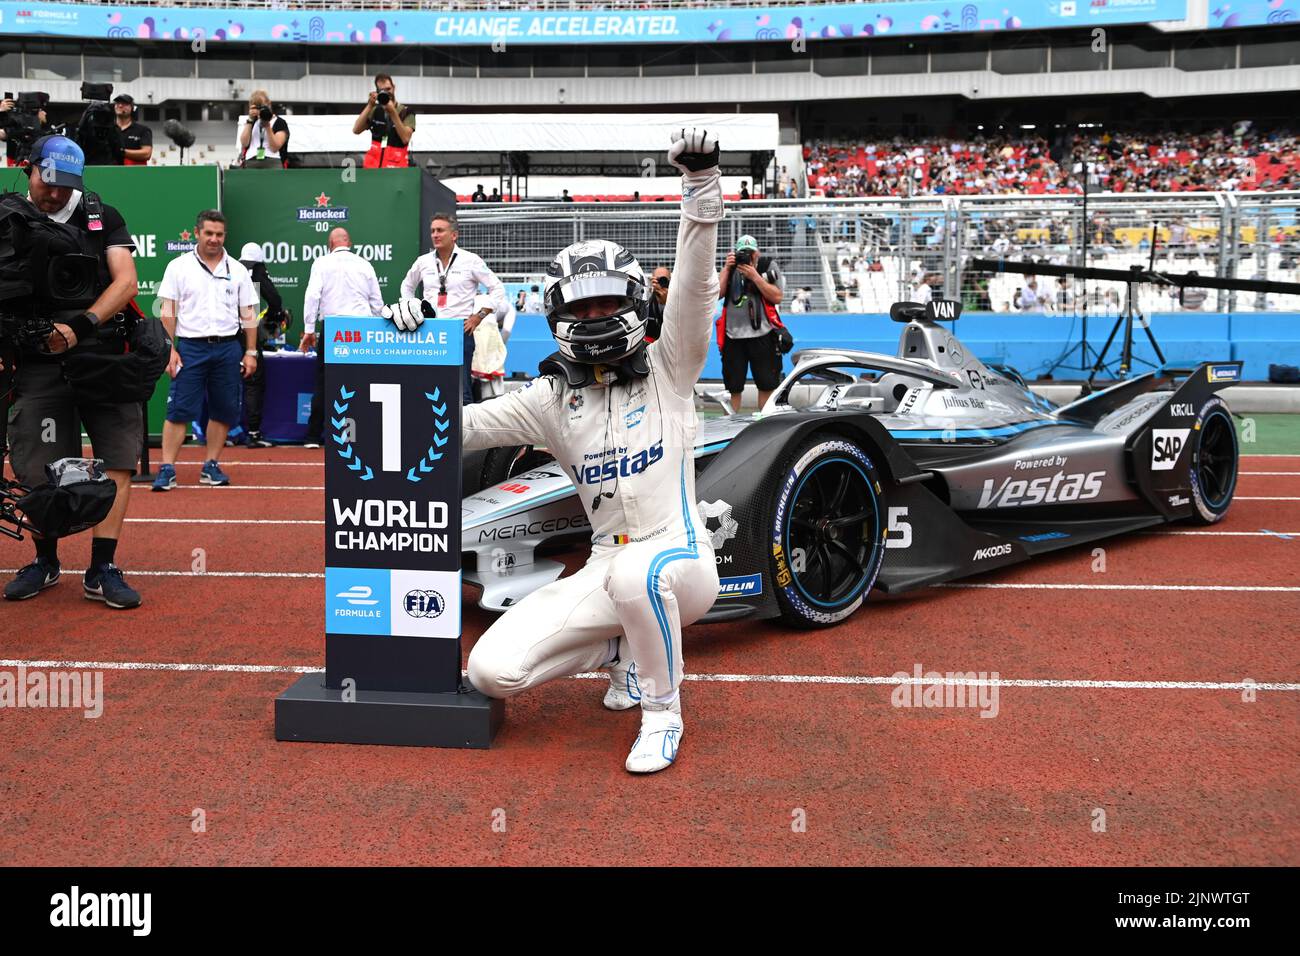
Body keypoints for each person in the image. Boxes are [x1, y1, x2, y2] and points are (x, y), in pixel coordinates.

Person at [383, 128, 724, 773]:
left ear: (636, 305)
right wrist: (410, 352)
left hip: (681, 557)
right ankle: (625, 654)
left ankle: (663, 712)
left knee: (637, 575)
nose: (596, 315)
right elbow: (453, 425)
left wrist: (701, 186)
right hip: (605, 564)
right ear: (557, 314)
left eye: (609, 301)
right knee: (491, 670)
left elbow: (696, 286)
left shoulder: (669, 365)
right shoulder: (548, 398)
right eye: (582, 304)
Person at [2, 136, 144, 608]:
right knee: (39, 464)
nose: (57, 194)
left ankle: (103, 567)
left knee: (119, 459)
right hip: (38, 360)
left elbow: (126, 280)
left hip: (101, 353)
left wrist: (80, 325)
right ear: (29, 169)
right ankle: (45, 560)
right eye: (49, 182)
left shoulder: (103, 214)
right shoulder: (8, 217)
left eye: (67, 186)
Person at [152, 210, 259, 491]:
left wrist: (250, 351)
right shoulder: (178, 267)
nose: (214, 239)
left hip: (227, 349)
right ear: (197, 233)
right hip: (190, 348)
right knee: (179, 410)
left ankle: (210, 465)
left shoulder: (237, 270)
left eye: (219, 234)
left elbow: (248, 312)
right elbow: (168, 310)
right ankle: (167, 468)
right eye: (209, 233)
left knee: (223, 410)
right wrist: (169, 349)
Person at [398, 212, 508, 405]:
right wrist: (412, 308)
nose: (435, 235)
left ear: (454, 235)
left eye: (440, 230)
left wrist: (479, 316)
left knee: (461, 389)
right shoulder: (423, 261)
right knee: (429, 386)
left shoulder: (470, 260)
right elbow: (407, 286)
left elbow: (497, 288)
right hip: (429, 331)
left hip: (459, 331)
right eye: (432, 231)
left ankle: (465, 433)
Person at [302, 227, 384, 446]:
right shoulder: (364, 264)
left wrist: (309, 329)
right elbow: (377, 302)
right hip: (361, 328)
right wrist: (378, 331)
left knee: (324, 382)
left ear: (330, 245)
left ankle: (313, 436)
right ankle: (352, 436)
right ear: (350, 243)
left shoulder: (321, 263)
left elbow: (312, 296)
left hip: (334, 327)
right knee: (358, 383)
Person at [717, 234, 785, 413]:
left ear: (757, 252)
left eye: (751, 252)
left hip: (763, 335)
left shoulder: (767, 266)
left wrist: (755, 276)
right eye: (743, 253)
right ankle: (728, 428)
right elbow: (717, 293)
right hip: (733, 336)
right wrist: (726, 268)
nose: (747, 256)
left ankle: (764, 426)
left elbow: (777, 296)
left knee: (766, 384)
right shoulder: (731, 269)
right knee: (733, 387)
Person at [237, 242, 285, 448]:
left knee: (223, 382)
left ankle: (225, 431)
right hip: (246, 331)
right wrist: (272, 317)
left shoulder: (230, 267)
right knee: (253, 382)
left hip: (222, 332)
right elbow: (274, 299)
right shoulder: (256, 270)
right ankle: (253, 433)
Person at [353, 73, 415, 169]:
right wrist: (369, 105)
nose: (387, 93)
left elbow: (406, 138)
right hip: (373, 169)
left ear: (394, 87)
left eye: (388, 89)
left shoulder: (406, 111)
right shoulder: (375, 110)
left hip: (396, 169)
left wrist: (393, 113)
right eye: (382, 91)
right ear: (377, 92)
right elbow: (356, 130)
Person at [469, 290, 517, 401]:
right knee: (493, 371)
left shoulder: (478, 298)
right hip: (487, 329)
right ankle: (494, 401)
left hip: (470, 323)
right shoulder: (509, 307)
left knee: (472, 369)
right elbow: (506, 331)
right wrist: (499, 350)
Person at [236, 91, 289, 169]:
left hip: (272, 160)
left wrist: (267, 126)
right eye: (257, 107)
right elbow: (244, 143)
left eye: (262, 106)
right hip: (251, 160)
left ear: (269, 104)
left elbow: (275, 148)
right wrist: (250, 119)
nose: (260, 110)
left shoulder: (279, 122)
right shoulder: (252, 122)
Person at [0, 94, 53, 166]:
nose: (44, 113)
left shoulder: (47, 131)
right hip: (17, 166)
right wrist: (1, 112)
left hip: (40, 166)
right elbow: (3, 134)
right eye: (41, 110)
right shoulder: (17, 128)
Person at [112, 94, 152, 166]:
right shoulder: (108, 129)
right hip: (110, 172)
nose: (120, 106)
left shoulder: (143, 130)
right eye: (117, 103)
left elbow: (147, 153)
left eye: (125, 104)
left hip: (134, 174)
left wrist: (122, 152)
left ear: (133, 108)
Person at [647, 265, 671, 341]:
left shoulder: (678, 300)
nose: (661, 282)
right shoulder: (646, 298)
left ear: (670, 281)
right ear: (653, 280)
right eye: (658, 279)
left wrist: (665, 304)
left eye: (664, 279)